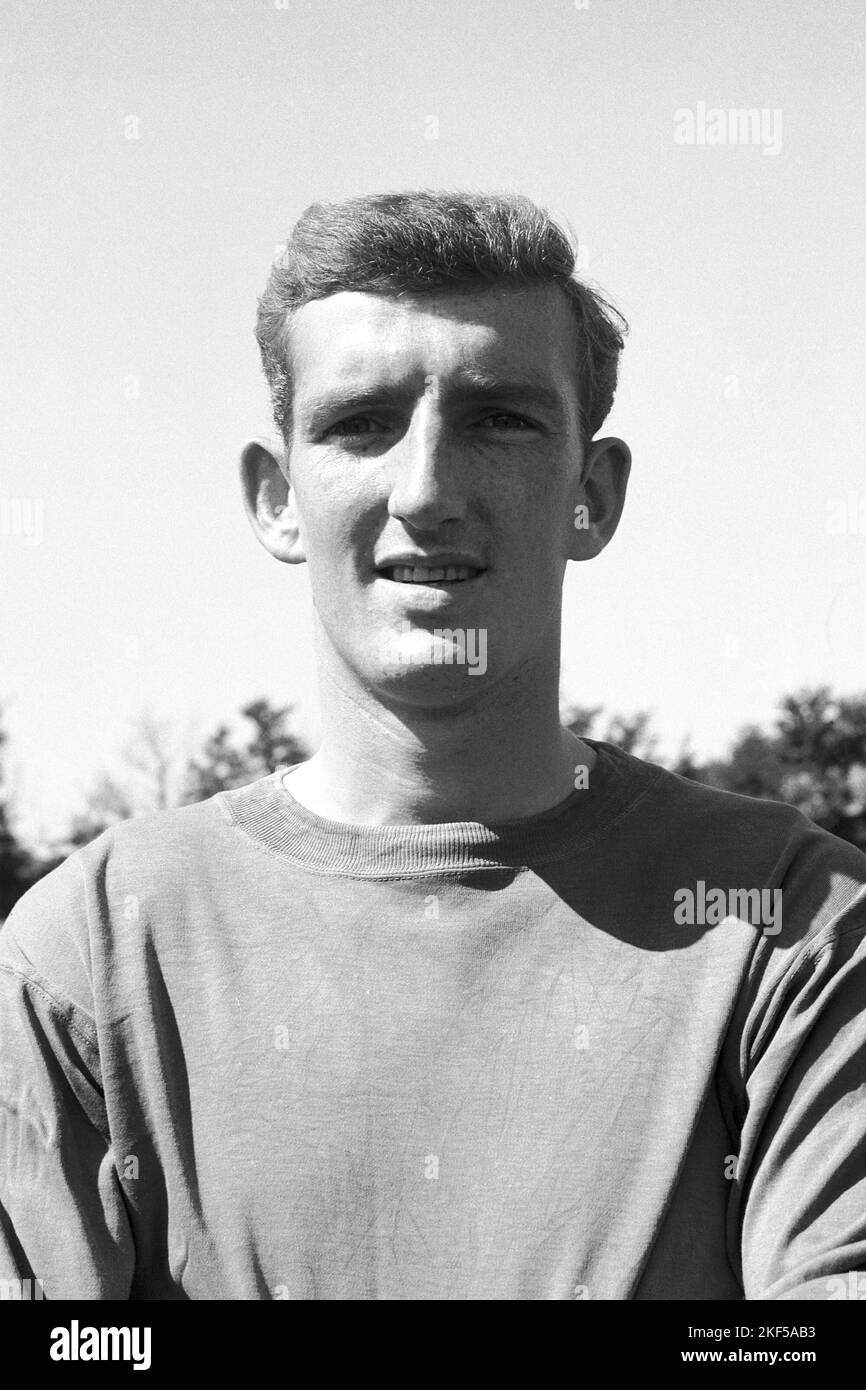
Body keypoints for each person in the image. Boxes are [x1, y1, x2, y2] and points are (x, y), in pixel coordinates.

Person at [1, 191, 864, 1301]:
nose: (426, 490)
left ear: (591, 496)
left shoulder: (786, 919)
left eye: (497, 419)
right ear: (275, 498)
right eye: (360, 423)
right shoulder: (91, 949)